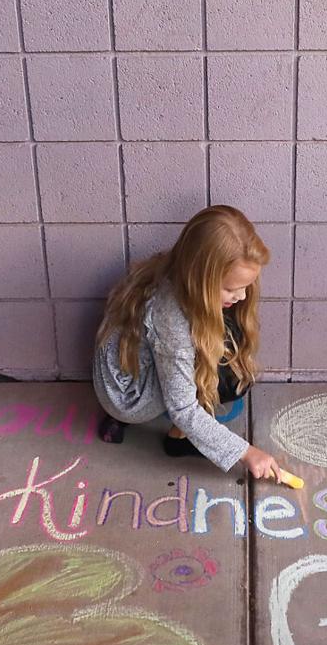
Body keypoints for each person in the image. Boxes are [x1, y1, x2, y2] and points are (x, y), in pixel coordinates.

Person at [92, 205, 283, 481]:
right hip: (127, 398)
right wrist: (247, 452)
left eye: (245, 285)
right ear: (200, 277)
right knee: (225, 376)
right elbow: (182, 408)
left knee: (224, 341)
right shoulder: (170, 315)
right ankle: (178, 438)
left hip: (124, 372)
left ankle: (125, 420)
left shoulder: (176, 268)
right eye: (231, 288)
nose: (241, 295)